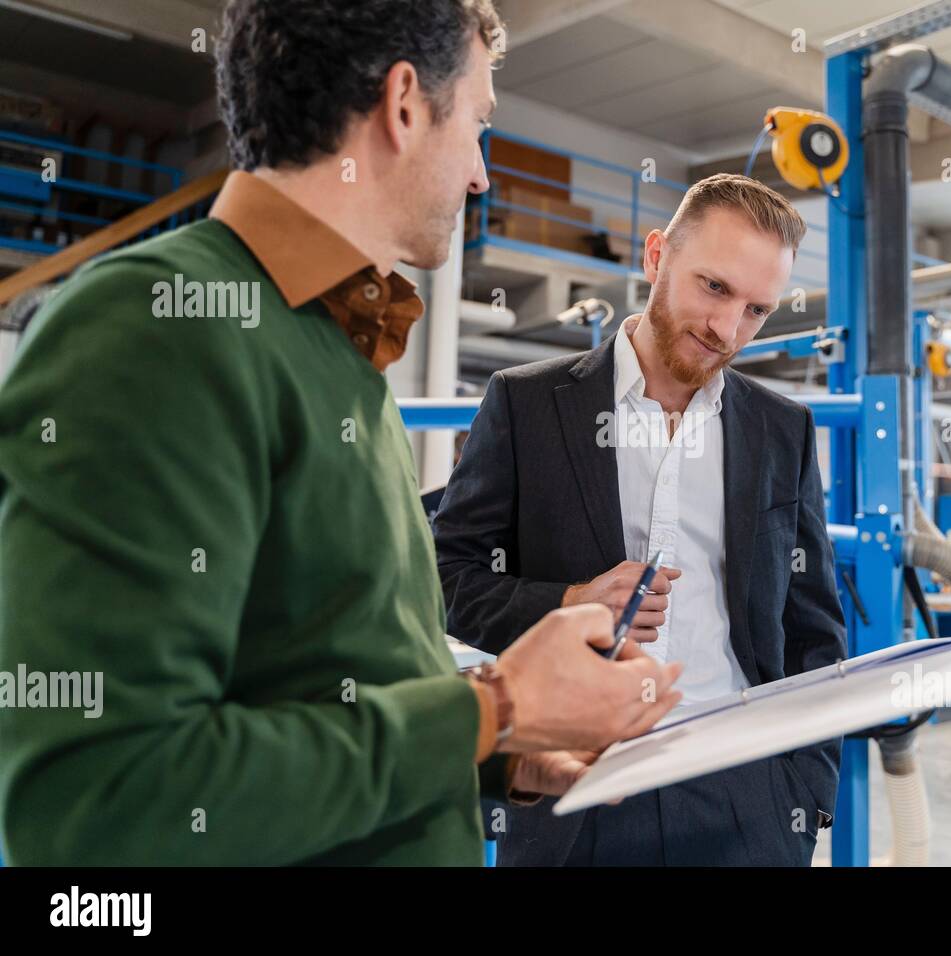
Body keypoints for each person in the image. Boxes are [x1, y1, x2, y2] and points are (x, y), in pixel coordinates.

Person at [0, 0, 682, 866]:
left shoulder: (335, 349)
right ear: (404, 104)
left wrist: (499, 752)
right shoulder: (155, 327)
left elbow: (325, 680)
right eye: (477, 124)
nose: (479, 175)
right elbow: (100, 807)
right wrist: (497, 704)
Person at [435, 174, 847, 866]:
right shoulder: (527, 405)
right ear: (656, 257)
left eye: (756, 311)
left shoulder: (784, 430)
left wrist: (802, 795)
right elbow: (443, 578)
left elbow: (814, 629)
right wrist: (566, 602)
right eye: (713, 288)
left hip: (746, 795)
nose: (726, 329)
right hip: (575, 786)